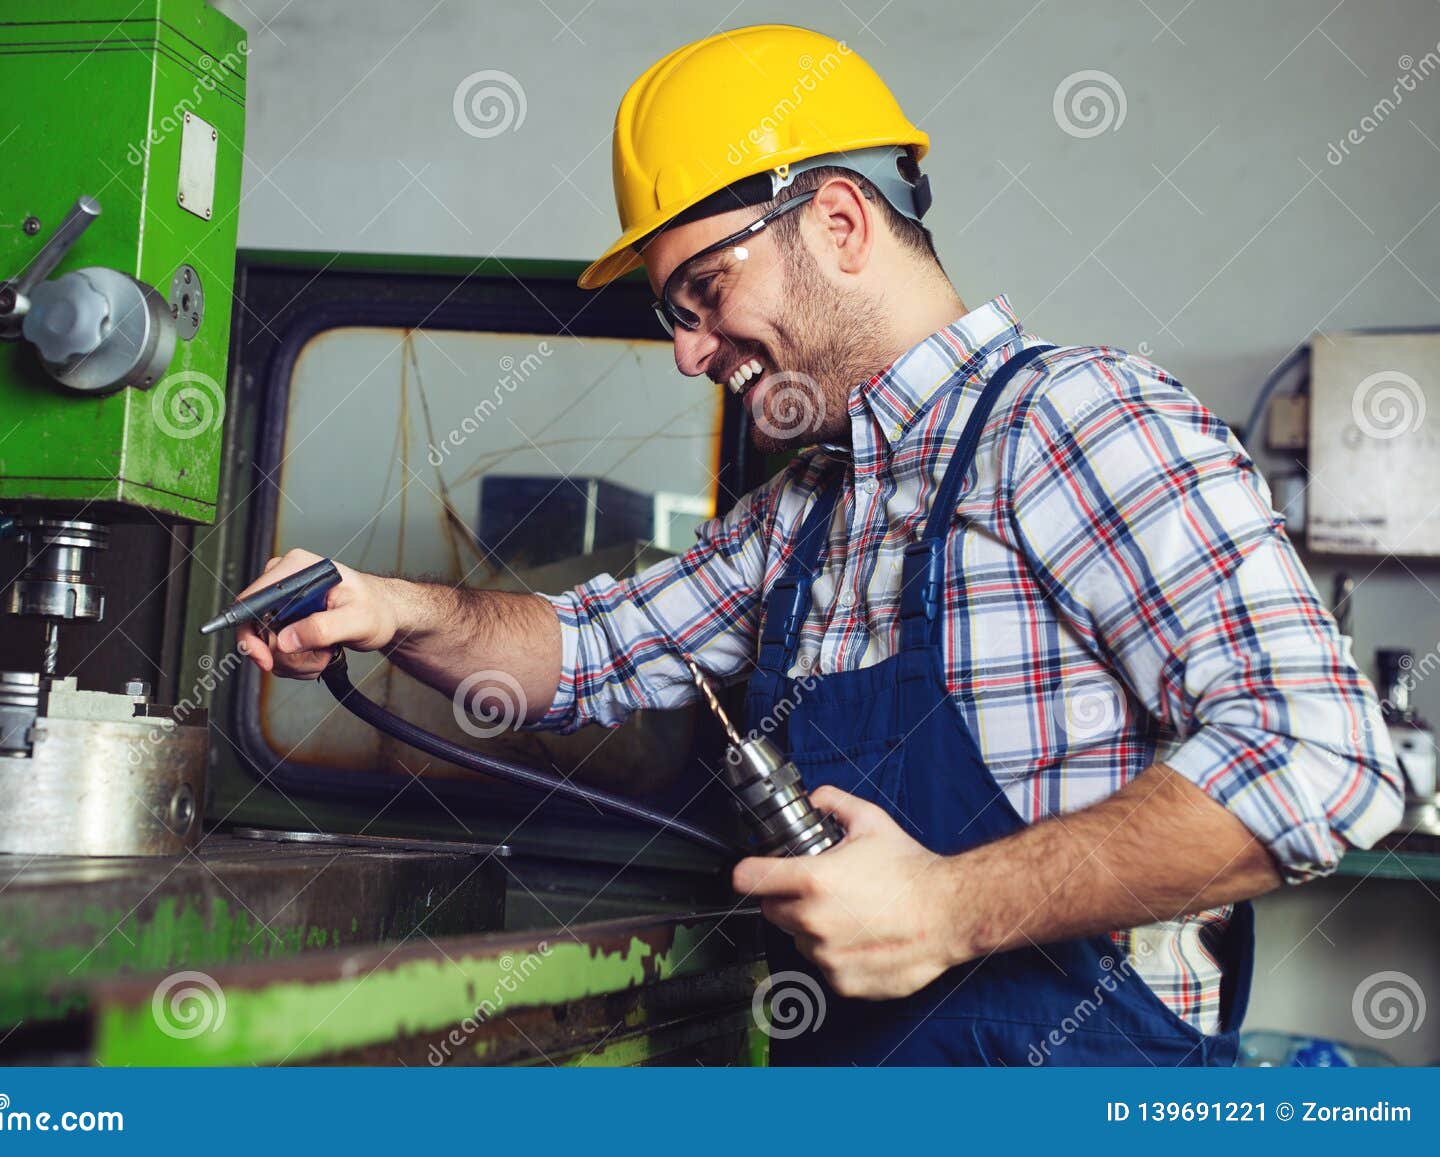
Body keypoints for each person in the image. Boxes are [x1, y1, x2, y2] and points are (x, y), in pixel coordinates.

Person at [235, 25, 1402, 1065]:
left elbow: (1323, 759)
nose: (691, 353)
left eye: (704, 289)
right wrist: (394, 608)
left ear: (839, 220)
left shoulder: (1078, 418)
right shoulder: (807, 507)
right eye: (670, 315)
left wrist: (952, 905)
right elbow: (583, 651)